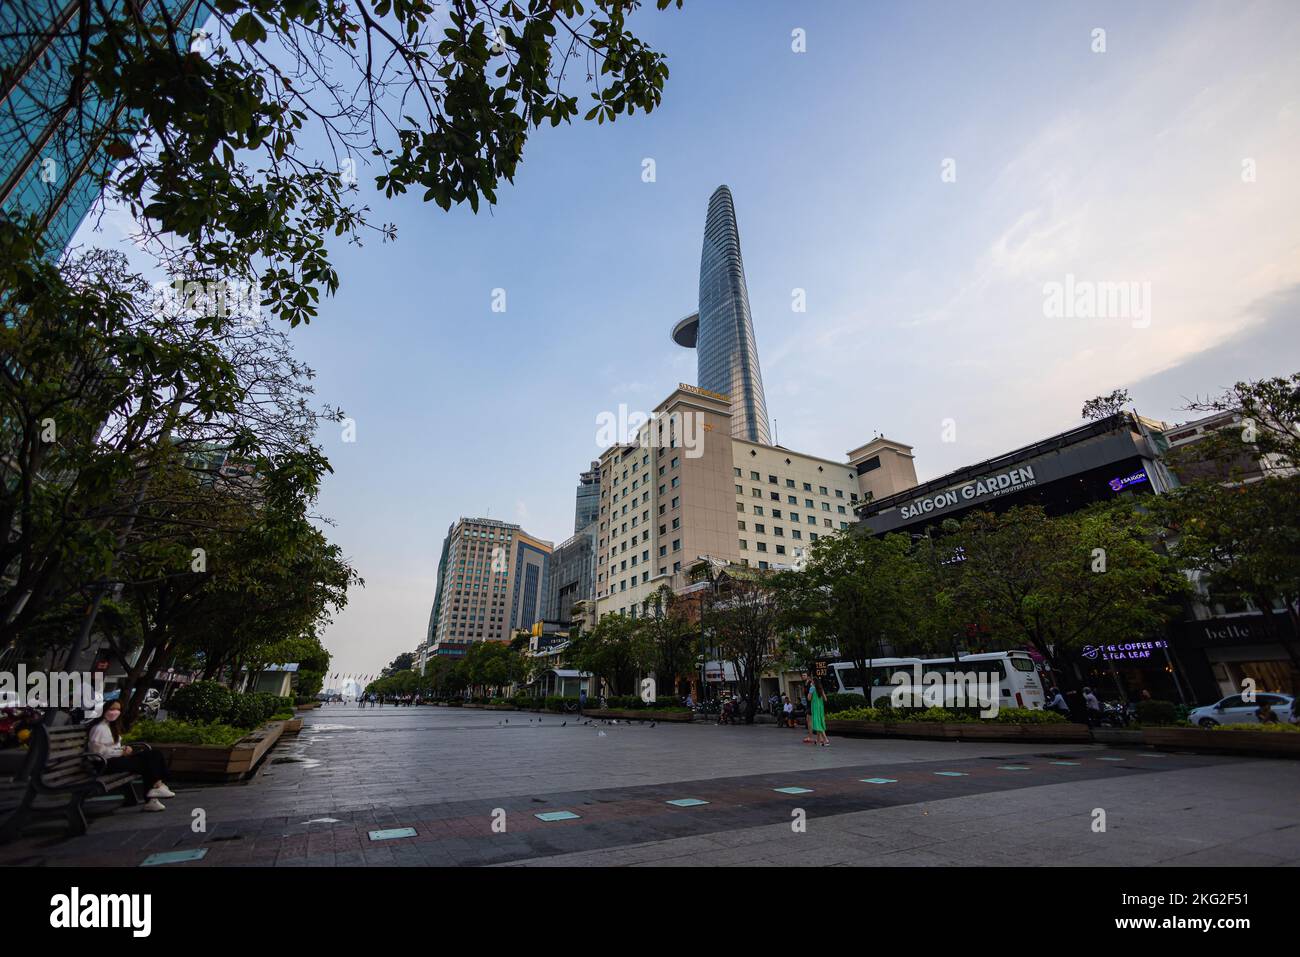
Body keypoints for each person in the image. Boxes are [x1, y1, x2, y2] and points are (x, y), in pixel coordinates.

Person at [88, 700, 174, 812]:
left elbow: (113, 748)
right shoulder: (98, 728)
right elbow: (97, 753)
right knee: (146, 763)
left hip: (115, 760)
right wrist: (120, 752)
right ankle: (155, 791)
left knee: (154, 754)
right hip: (104, 764)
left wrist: (123, 749)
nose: (115, 712)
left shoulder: (112, 727)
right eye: (112, 709)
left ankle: (157, 789)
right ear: (104, 710)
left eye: (118, 710)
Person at [805, 677, 829, 746]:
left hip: (815, 708)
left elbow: (809, 698)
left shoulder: (812, 688)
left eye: (812, 681)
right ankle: (818, 740)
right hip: (821, 708)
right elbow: (825, 699)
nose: (811, 682)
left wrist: (810, 692)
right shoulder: (821, 689)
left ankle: (825, 739)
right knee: (820, 721)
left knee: (817, 723)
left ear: (814, 682)